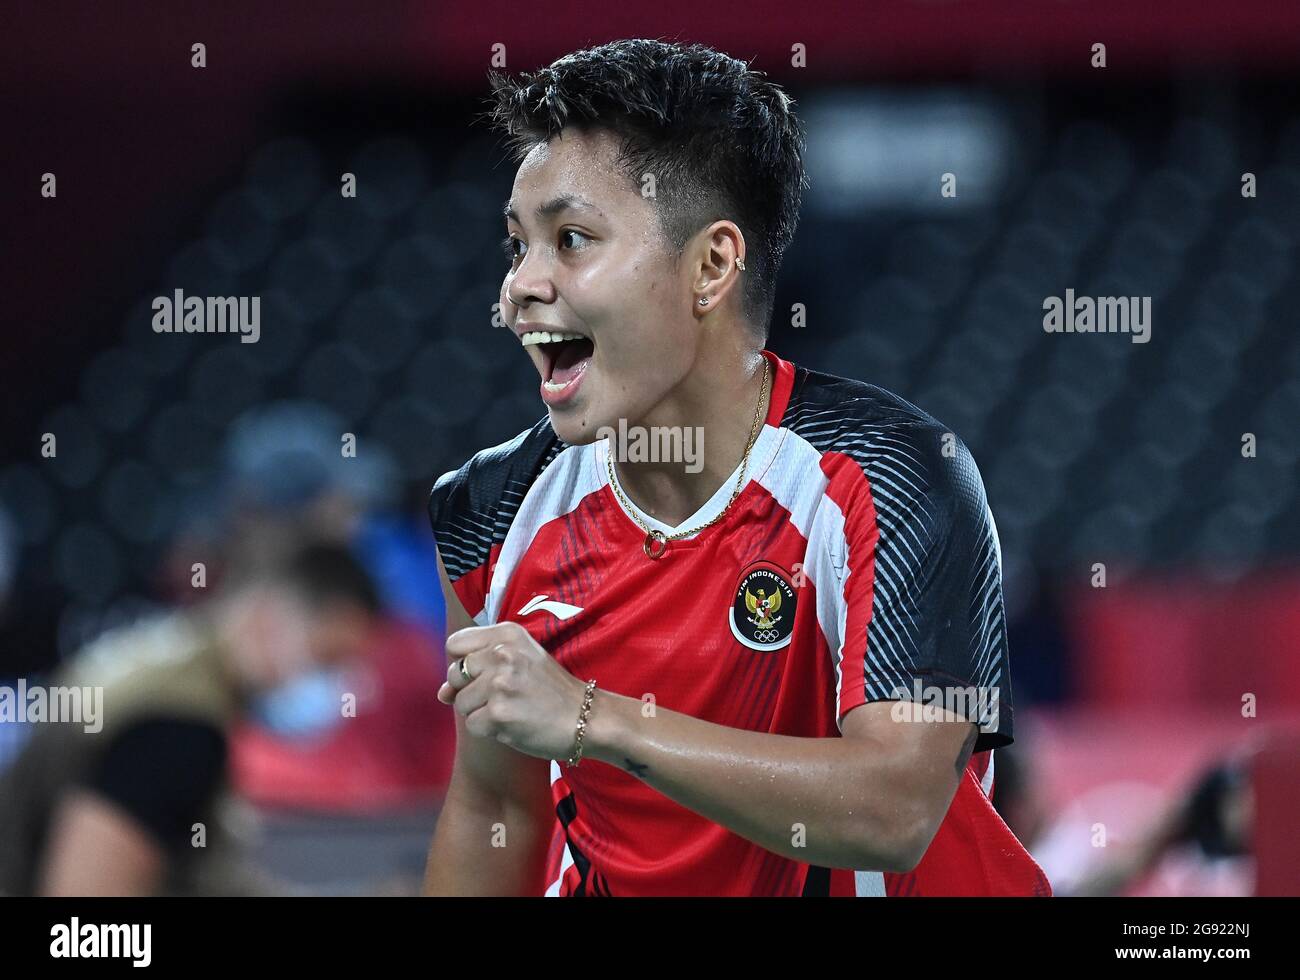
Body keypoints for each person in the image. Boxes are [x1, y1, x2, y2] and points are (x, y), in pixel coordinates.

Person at [423, 39, 1049, 896]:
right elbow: (497, 806)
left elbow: (895, 809)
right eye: (517, 245)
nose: (520, 287)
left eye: (570, 239)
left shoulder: (894, 477)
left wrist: (591, 718)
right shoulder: (487, 517)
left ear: (711, 265)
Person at [0, 541, 380, 896]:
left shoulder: (166, 663)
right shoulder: (178, 726)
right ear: (267, 617)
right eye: (328, 659)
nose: (335, 688)